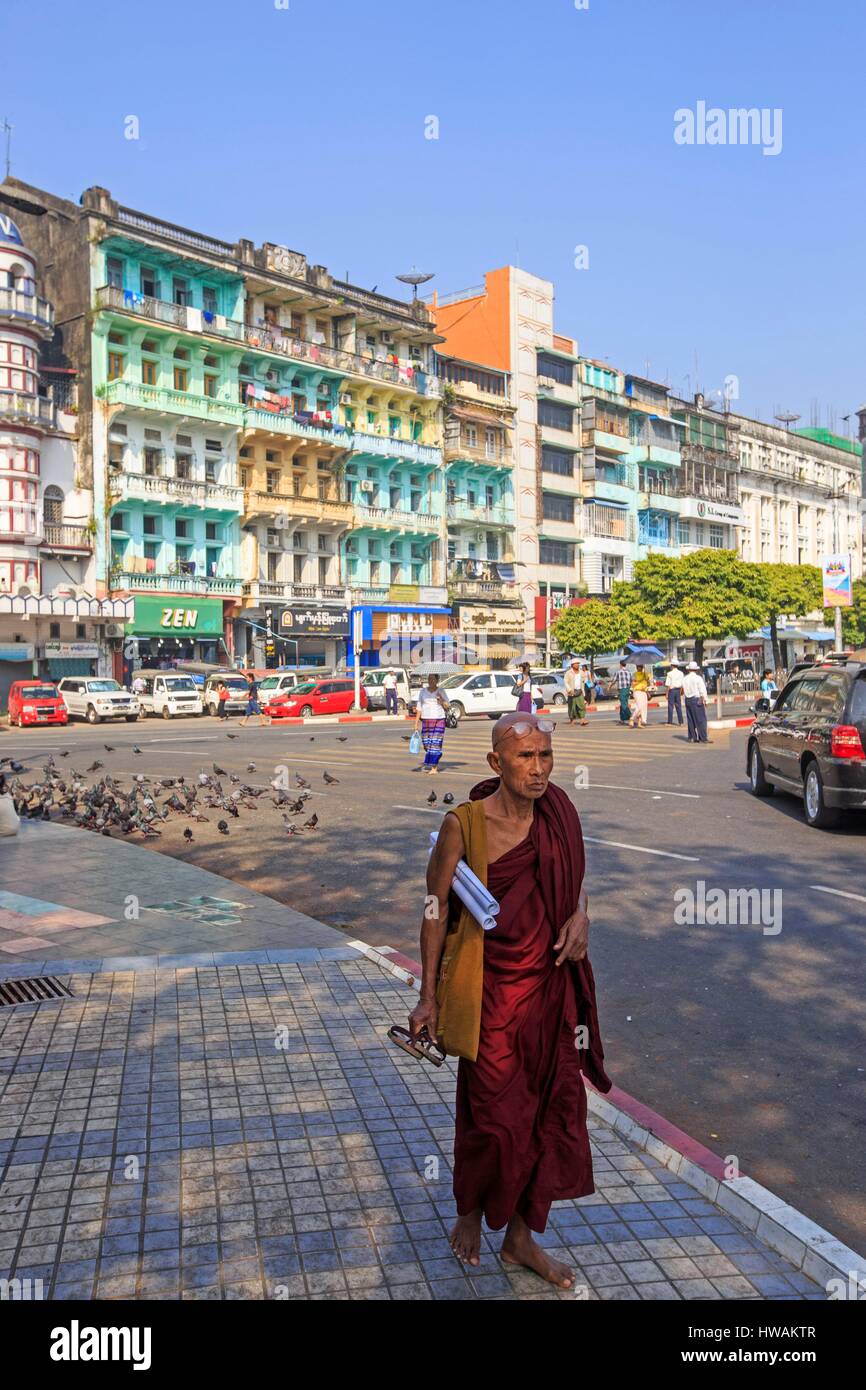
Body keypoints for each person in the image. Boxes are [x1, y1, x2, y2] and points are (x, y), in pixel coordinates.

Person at [410, 710, 610, 1287]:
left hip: (550, 992)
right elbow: (435, 906)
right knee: (493, 1117)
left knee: (550, 1115)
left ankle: (521, 1238)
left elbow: (572, 883)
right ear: (496, 762)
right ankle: (471, 1209)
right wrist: (428, 998)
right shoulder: (465, 824)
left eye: (545, 755)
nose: (539, 768)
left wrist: (581, 917)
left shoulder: (559, 814)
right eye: (525, 757)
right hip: (489, 993)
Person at [413, 674, 450, 774]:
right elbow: (419, 707)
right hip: (426, 720)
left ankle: (434, 767)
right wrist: (416, 723)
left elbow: (448, 706)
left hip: (439, 720)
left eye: (433, 679)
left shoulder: (441, 691)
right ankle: (434, 758)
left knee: (436, 744)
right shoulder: (422, 691)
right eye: (429, 679)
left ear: (437, 680)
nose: (431, 681)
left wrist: (441, 700)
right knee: (427, 744)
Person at [683, 660, 710, 743]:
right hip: (696, 699)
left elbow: (683, 690)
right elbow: (702, 690)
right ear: (696, 670)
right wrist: (706, 700)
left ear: (689, 669)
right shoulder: (698, 678)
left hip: (688, 700)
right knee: (701, 720)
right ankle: (703, 737)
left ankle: (692, 737)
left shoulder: (685, 678)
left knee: (690, 719)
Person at [563, 658, 588, 726]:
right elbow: (565, 682)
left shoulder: (581, 672)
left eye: (578, 664)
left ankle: (582, 720)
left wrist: (584, 692)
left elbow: (583, 681)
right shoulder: (568, 673)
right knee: (572, 707)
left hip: (580, 691)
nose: (577, 665)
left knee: (582, 706)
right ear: (572, 665)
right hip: (572, 692)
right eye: (576, 664)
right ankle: (572, 720)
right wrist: (569, 690)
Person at [630, 662, 650, 728]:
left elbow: (648, 683)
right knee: (639, 706)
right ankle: (632, 718)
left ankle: (640, 722)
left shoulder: (645, 674)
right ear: (636, 667)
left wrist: (647, 680)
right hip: (637, 691)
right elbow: (633, 684)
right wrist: (640, 680)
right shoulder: (634, 674)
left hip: (644, 692)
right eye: (638, 666)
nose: (640, 668)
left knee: (644, 707)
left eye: (641, 666)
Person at [665, 660, 684, 726]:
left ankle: (670, 722)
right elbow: (682, 684)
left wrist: (667, 693)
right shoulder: (681, 673)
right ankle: (681, 722)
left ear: (672, 666)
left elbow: (668, 684)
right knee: (678, 706)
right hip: (678, 690)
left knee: (670, 706)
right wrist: (681, 691)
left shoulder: (669, 673)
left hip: (672, 691)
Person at [615, 658, 632, 724]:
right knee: (623, 704)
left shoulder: (618, 672)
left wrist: (609, 687)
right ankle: (622, 719)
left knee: (623, 704)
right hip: (627, 689)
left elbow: (614, 680)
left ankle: (631, 716)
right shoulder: (629, 672)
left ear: (620, 665)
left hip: (622, 689)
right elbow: (631, 681)